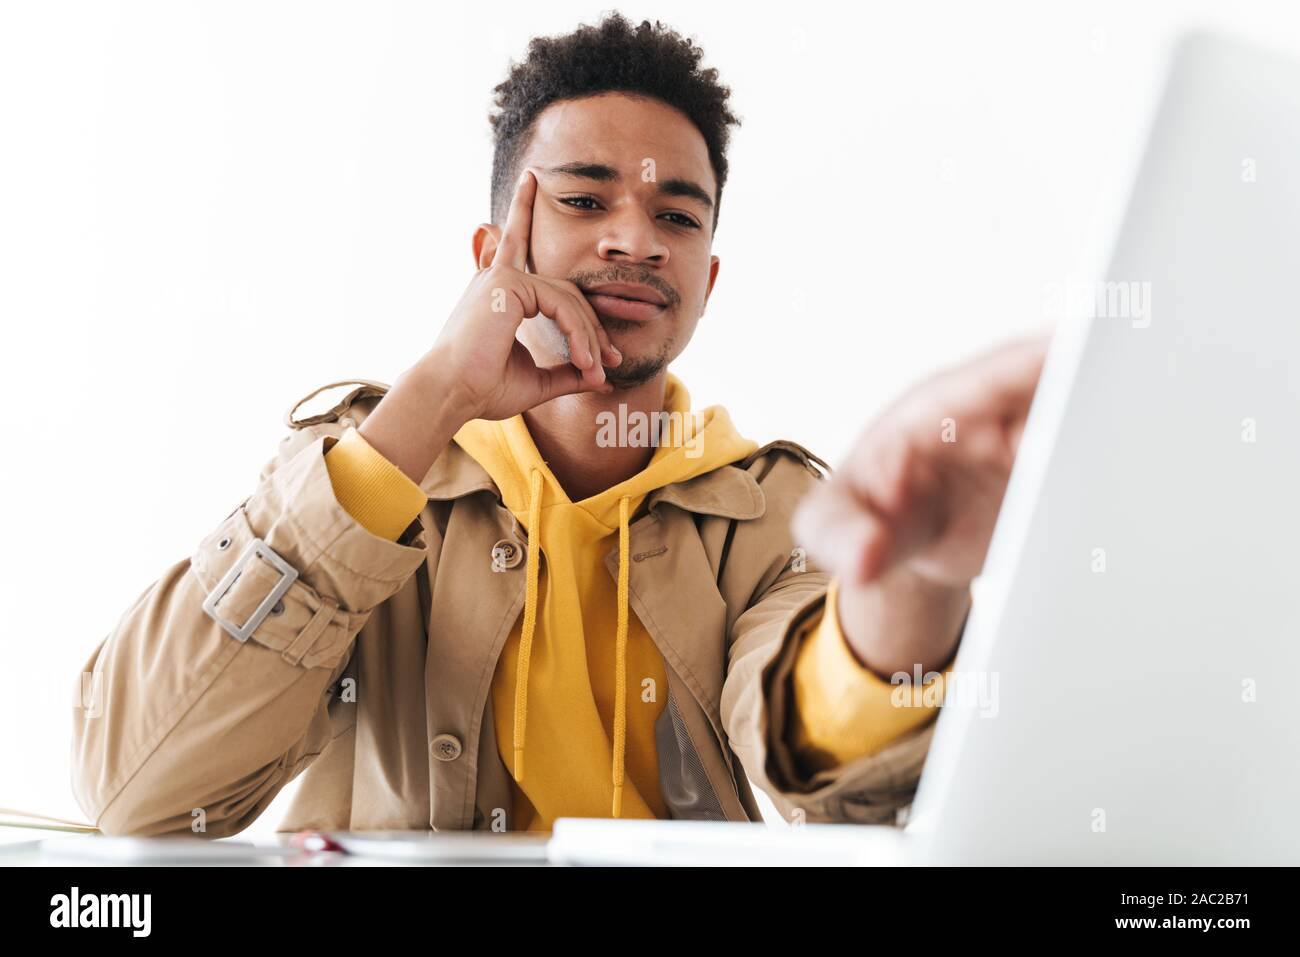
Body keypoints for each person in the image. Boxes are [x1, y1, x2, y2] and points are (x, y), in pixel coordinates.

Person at [71, 12, 1045, 836]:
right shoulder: (365, 472)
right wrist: (434, 398)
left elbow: (845, 787)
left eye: (677, 217)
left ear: (705, 282)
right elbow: (137, 795)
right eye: (583, 200)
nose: (632, 239)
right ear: (494, 251)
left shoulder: (779, 507)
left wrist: (911, 574)